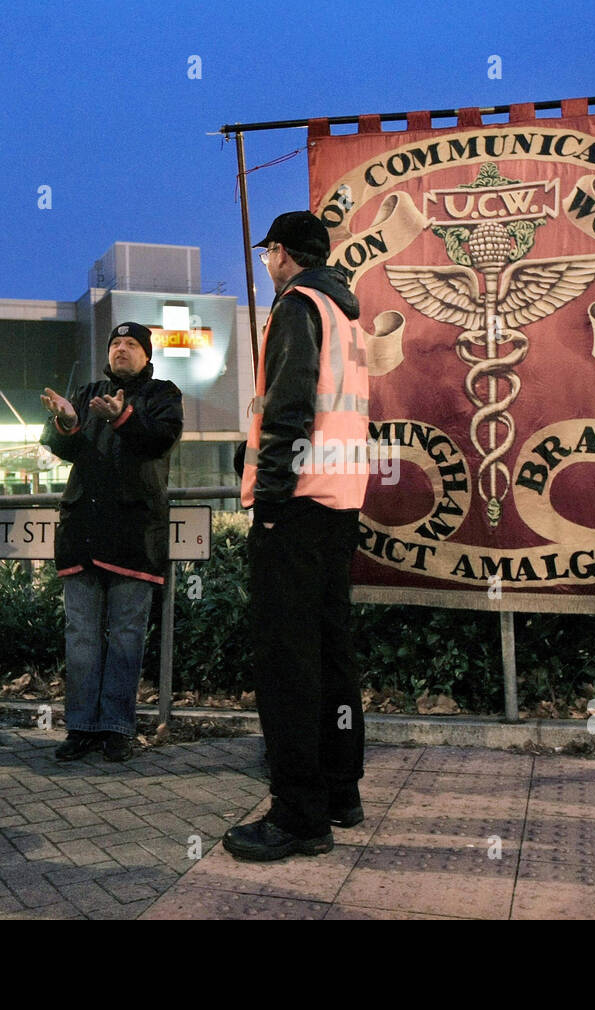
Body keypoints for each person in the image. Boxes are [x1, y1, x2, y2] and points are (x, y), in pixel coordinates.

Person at [222, 211, 370, 862]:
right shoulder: (346, 314)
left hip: (297, 507)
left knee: (287, 664)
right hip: (339, 505)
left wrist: (272, 493)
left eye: (266, 256)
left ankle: (298, 816)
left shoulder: (296, 306)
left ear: (280, 253)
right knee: (332, 652)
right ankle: (340, 792)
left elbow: (287, 410)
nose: (266, 266)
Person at [40, 322, 182, 762]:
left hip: (134, 535)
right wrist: (64, 423)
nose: (121, 349)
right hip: (83, 530)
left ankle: (117, 728)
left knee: (125, 635)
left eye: (131, 344)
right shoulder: (85, 392)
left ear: (146, 354)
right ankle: (80, 727)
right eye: (116, 343)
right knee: (81, 634)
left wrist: (122, 417)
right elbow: (61, 447)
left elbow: (160, 439)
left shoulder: (163, 394)